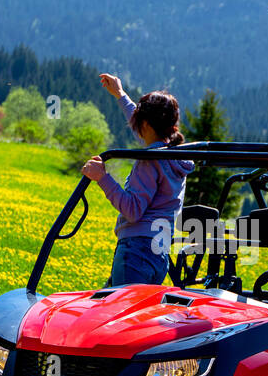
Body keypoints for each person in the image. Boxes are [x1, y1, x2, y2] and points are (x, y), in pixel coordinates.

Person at [81, 74, 193, 287]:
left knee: (122, 315)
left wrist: (102, 177)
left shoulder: (149, 162)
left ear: (147, 124)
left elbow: (132, 210)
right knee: (118, 309)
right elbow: (148, 134)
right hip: (159, 253)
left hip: (136, 251)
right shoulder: (173, 155)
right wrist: (120, 95)